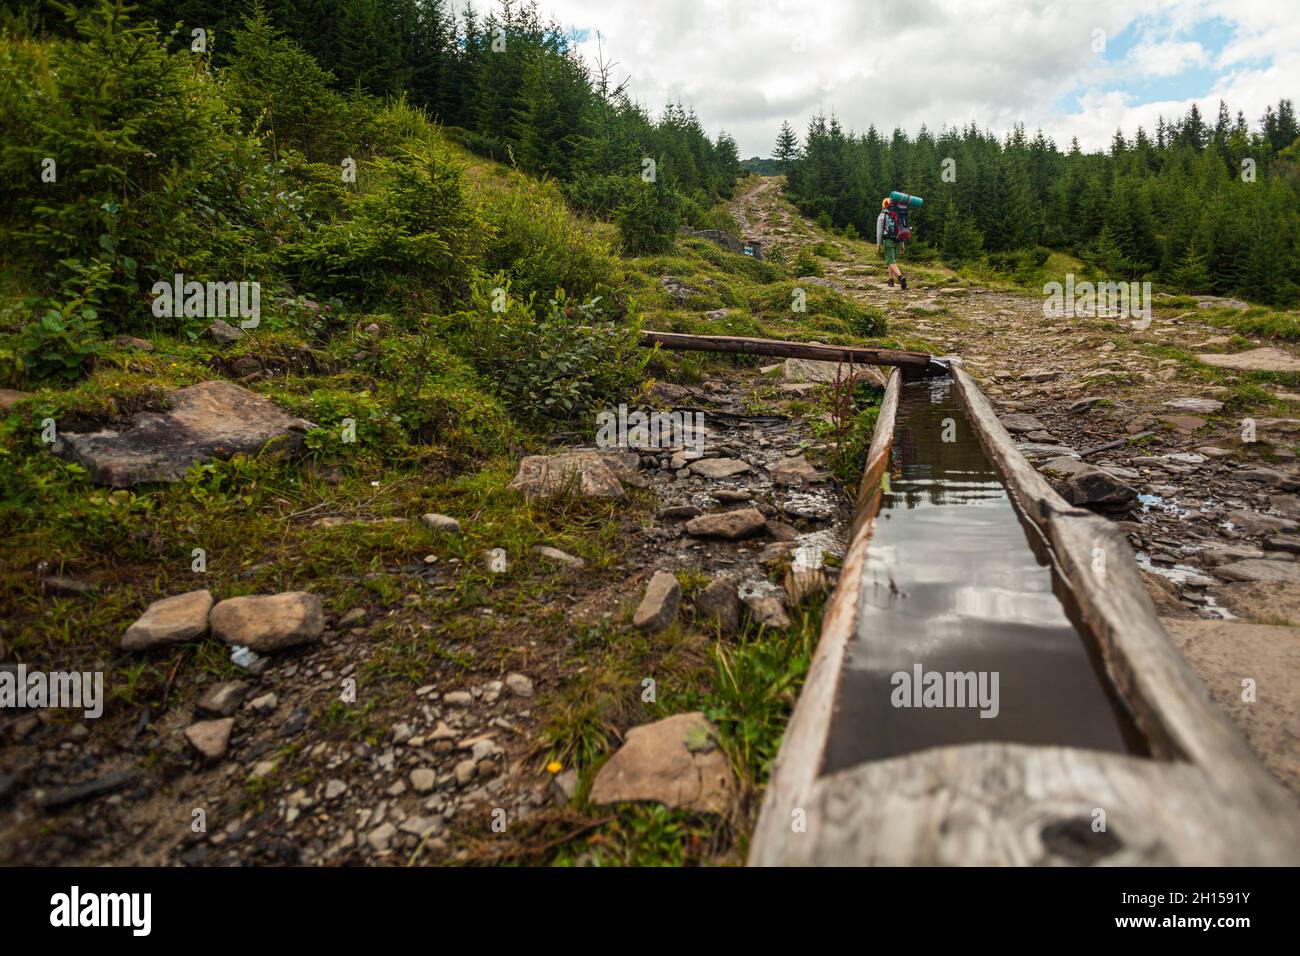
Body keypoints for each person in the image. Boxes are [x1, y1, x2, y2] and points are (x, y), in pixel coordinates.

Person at [875, 196, 909, 290]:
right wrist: (902, 245)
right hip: (898, 241)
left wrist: (878, 245)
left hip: (888, 241)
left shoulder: (882, 216)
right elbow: (901, 229)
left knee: (890, 261)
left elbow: (879, 232)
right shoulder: (898, 215)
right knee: (892, 261)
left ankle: (900, 277)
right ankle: (891, 280)